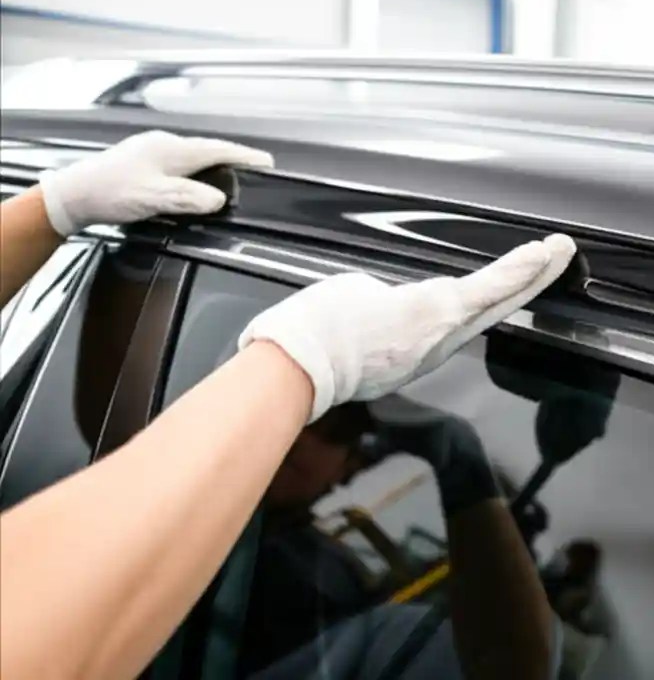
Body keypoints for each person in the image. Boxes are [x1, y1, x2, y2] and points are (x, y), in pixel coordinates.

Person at [0, 131, 573, 680]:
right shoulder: (126, 475)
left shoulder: (330, 579)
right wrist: (303, 364)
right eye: (313, 406)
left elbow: (509, 668)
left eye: (334, 415)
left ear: (351, 468)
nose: (294, 429)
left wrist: (48, 210)